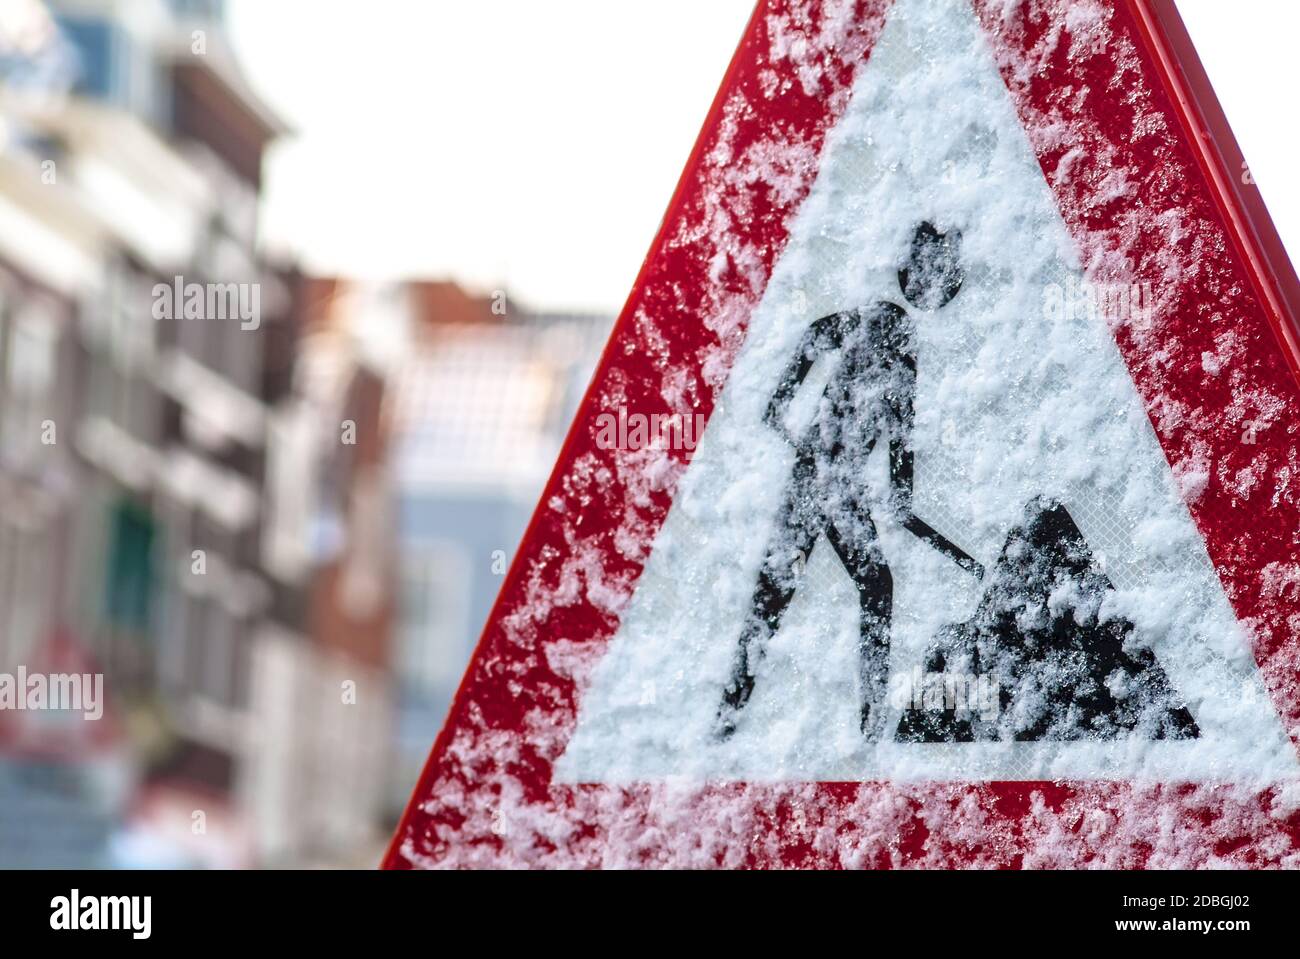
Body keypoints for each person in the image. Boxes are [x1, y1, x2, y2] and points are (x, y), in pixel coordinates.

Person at [717, 222, 982, 740]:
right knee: (784, 598)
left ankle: (861, 730)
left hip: (837, 486)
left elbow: (901, 496)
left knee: (819, 592)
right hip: (821, 480)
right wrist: (779, 405)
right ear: (913, 270)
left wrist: (964, 559)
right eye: (933, 268)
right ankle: (745, 727)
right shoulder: (887, 324)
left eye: (946, 272)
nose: (940, 281)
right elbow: (819, 333)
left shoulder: (907, 355)